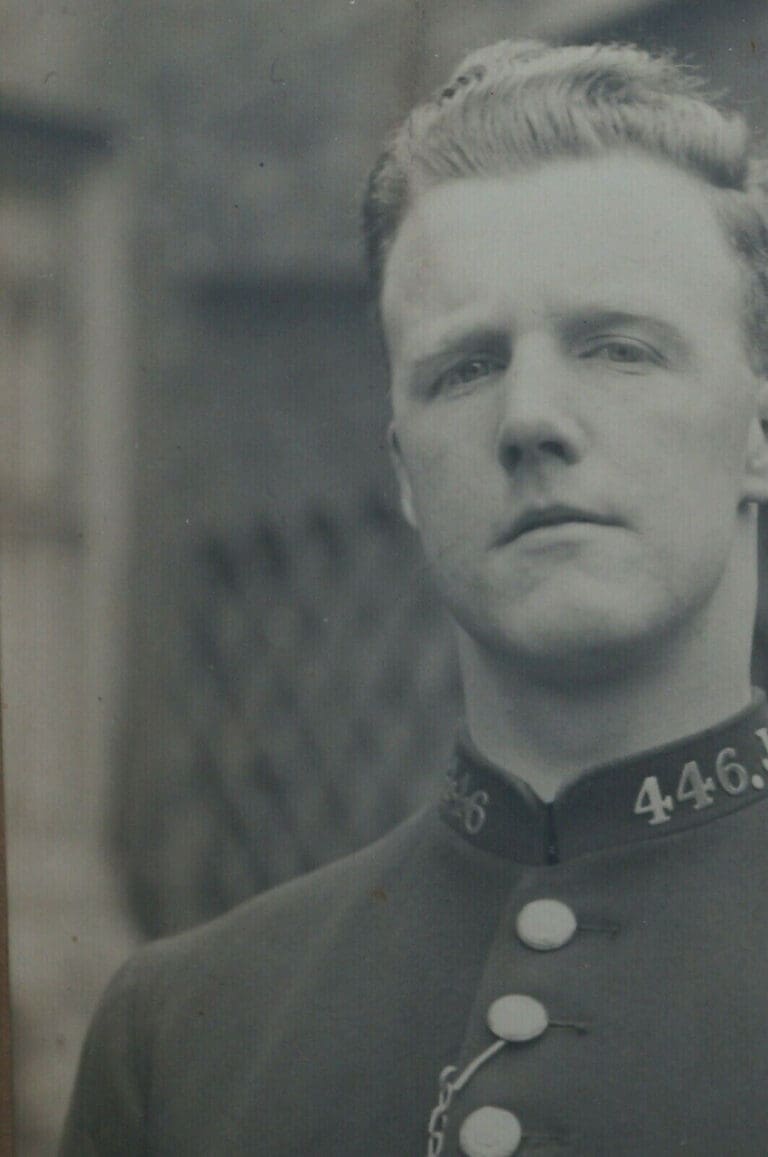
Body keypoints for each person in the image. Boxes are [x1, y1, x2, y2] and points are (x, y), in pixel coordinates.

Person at [61, 39, 768, 1156]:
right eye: (465, 368)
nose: (532, 416)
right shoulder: (185, 1032)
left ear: (758, 431)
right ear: (402, 467)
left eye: (620, 349)